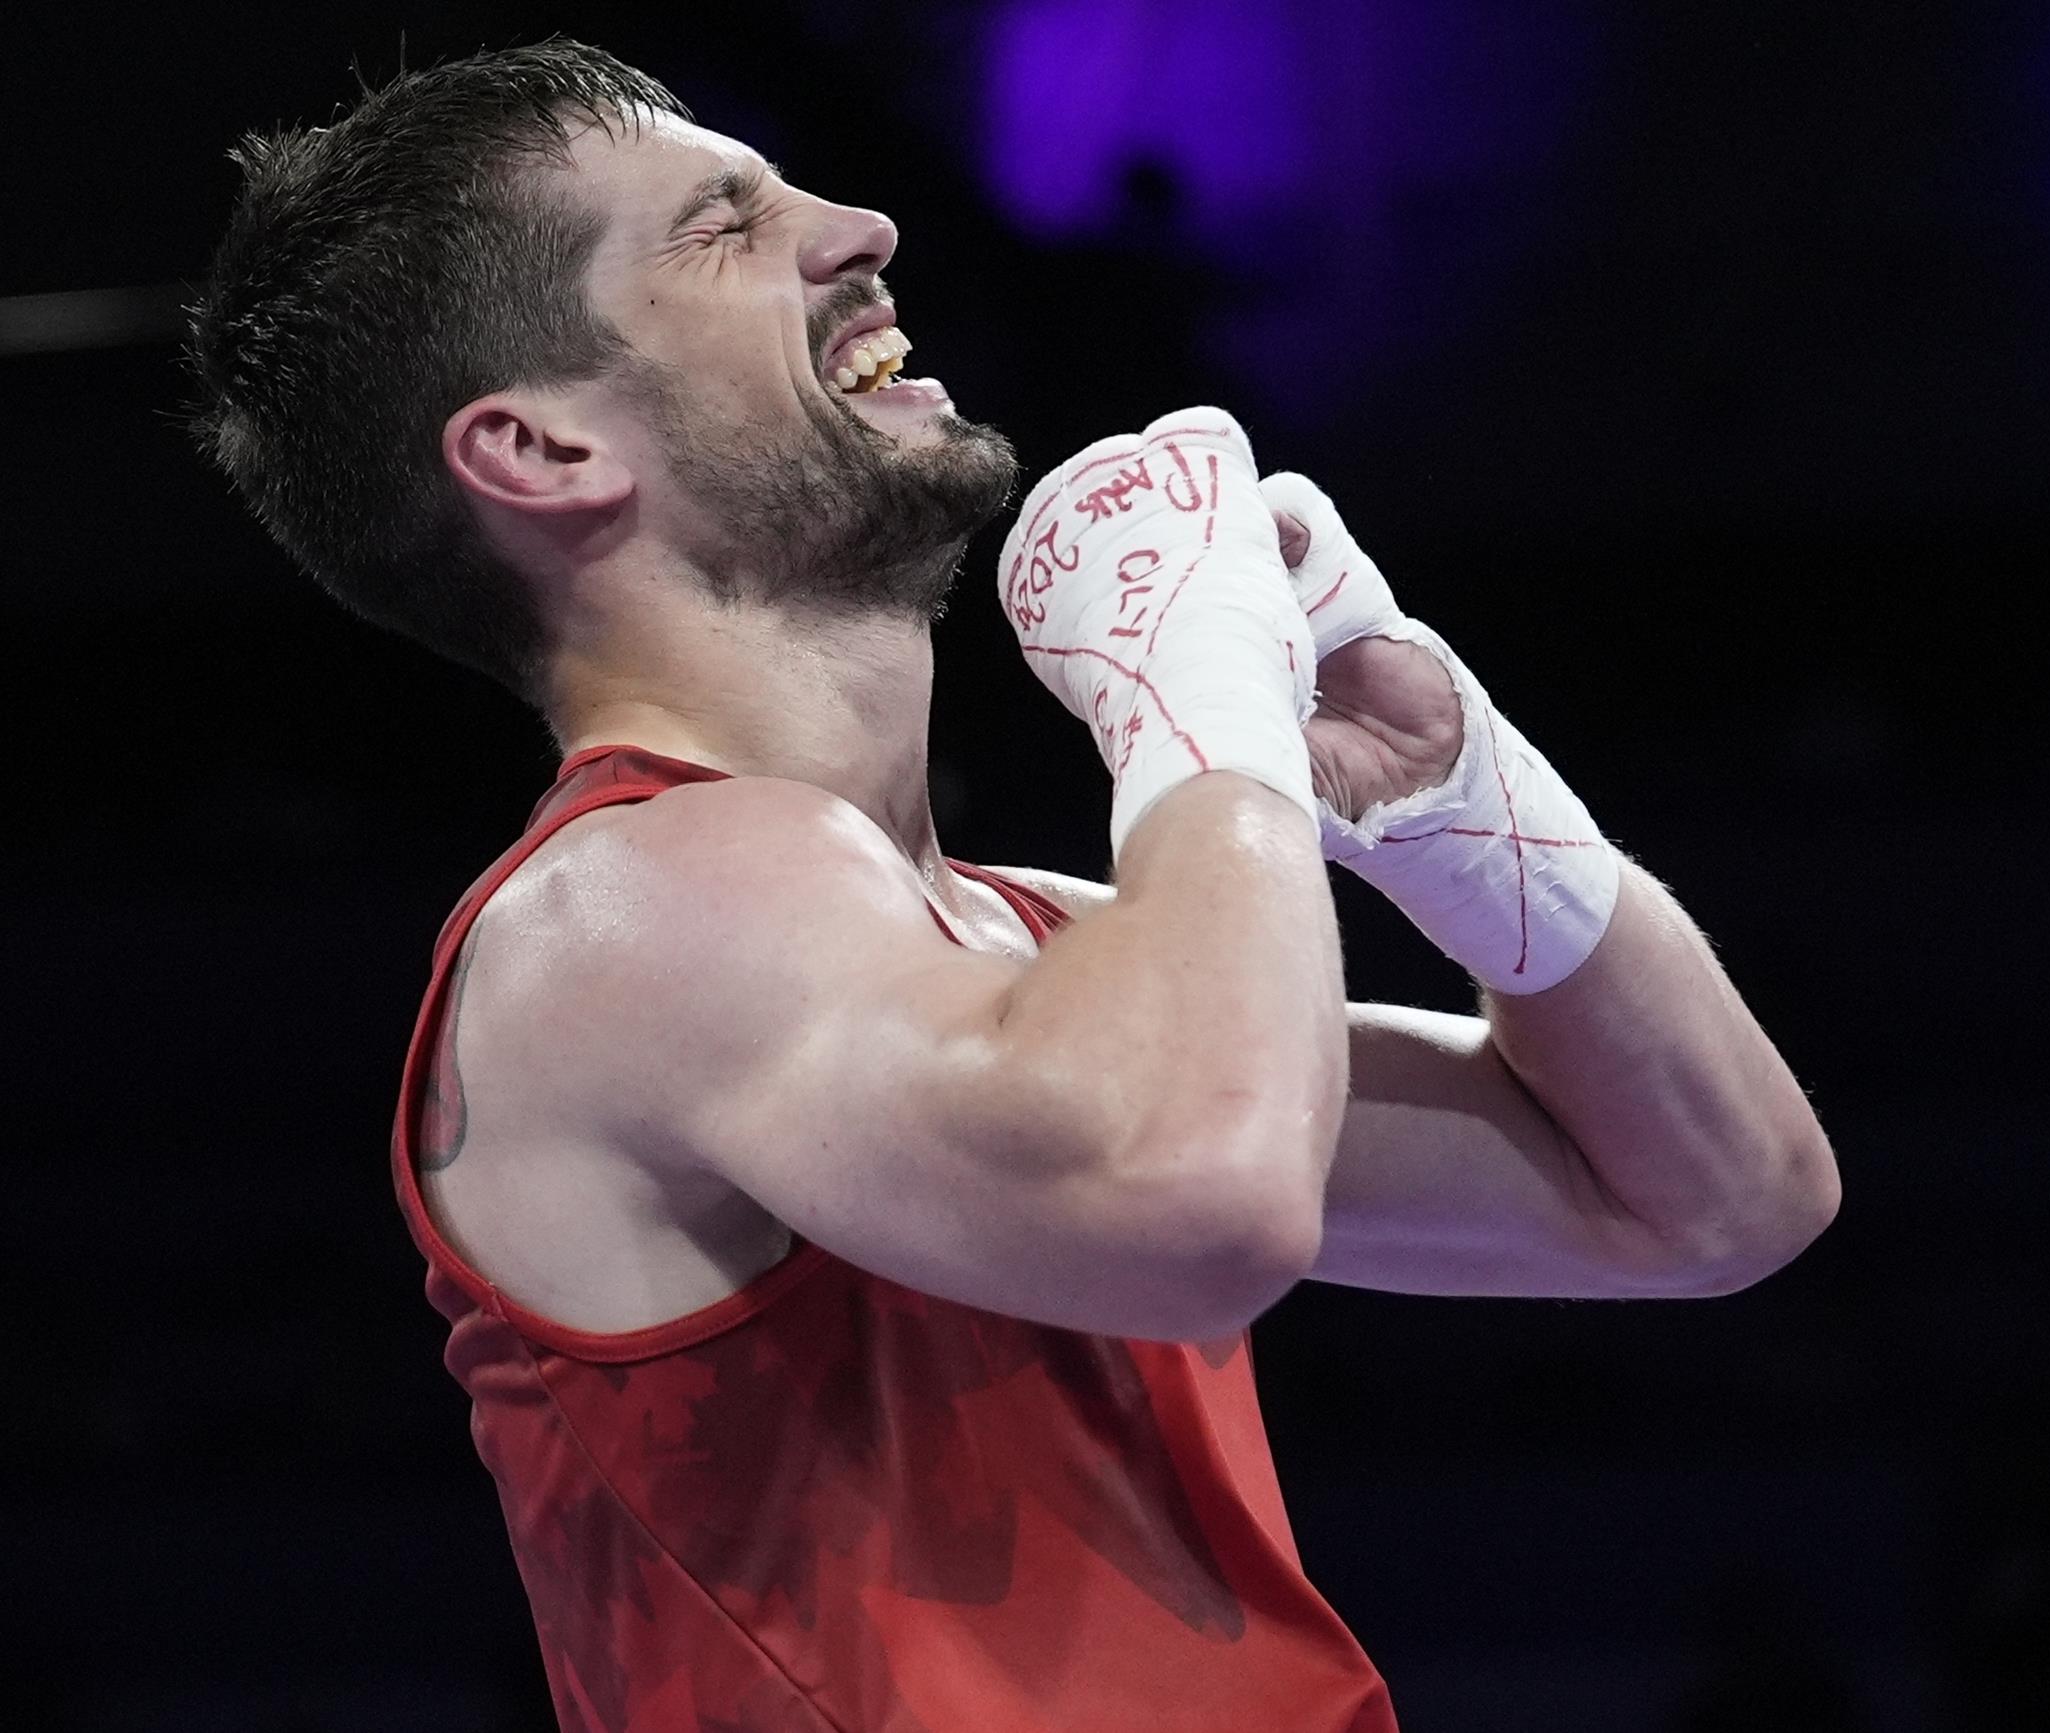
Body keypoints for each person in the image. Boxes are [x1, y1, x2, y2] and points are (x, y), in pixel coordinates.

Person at [186, 39, 1839, 1733]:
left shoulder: (1038, 953)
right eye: (722, 225)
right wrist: (1202, 704)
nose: (861, 225)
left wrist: (1462, 804)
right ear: (539, 450)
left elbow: (1717, 1197)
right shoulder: (616, 911)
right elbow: (1202, 1193)